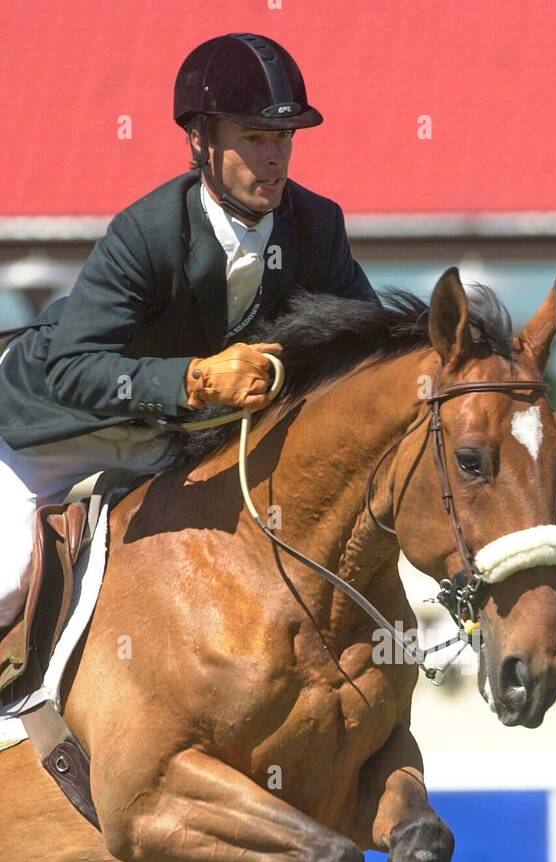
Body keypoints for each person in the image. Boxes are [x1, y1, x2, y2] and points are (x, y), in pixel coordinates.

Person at [0, 31, 380, 629]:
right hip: (50, 431)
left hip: (170, 444)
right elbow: (73, 369)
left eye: (282, 137)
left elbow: (369, 347)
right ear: (200, 141)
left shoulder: (316, 225)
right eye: (253, 138)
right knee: (6, 582)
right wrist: (196, 380)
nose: (274, 158)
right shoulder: (148, 232)